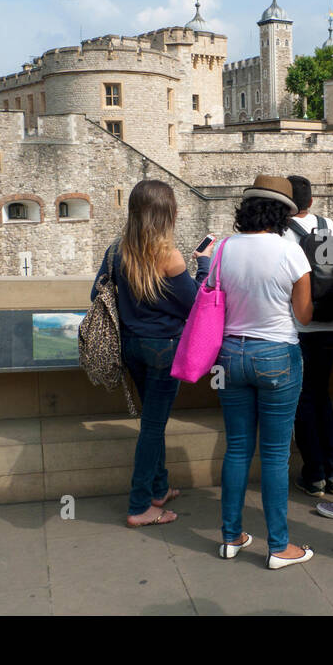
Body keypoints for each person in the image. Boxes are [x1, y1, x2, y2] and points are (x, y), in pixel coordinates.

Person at [205, 175, 316, 569]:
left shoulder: (223, 249)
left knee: (237, 448)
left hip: (230, 355)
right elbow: (304, 315)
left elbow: (213, 300)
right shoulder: (291, 253)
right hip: (276, 356)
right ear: (283, 212)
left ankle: (231, 537)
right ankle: (278, 546)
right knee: (274, 455)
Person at [91, 179, 205, 528]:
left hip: (131, 346)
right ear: (166, 214)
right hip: (163, 349)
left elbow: (96, 294)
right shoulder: (168, 256)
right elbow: (194, 304)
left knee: (151, 422)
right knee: (153, 428)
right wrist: (203, 267)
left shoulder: (116, 250)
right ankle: (140, 505)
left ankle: (158, 488)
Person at [283, 175, 333, 498]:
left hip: (300, 326)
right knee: (321, 395)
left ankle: (315, 474)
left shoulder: (283, 232)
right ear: (310, 201)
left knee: (303, 400)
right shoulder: (329, 225)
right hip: (330, 325)